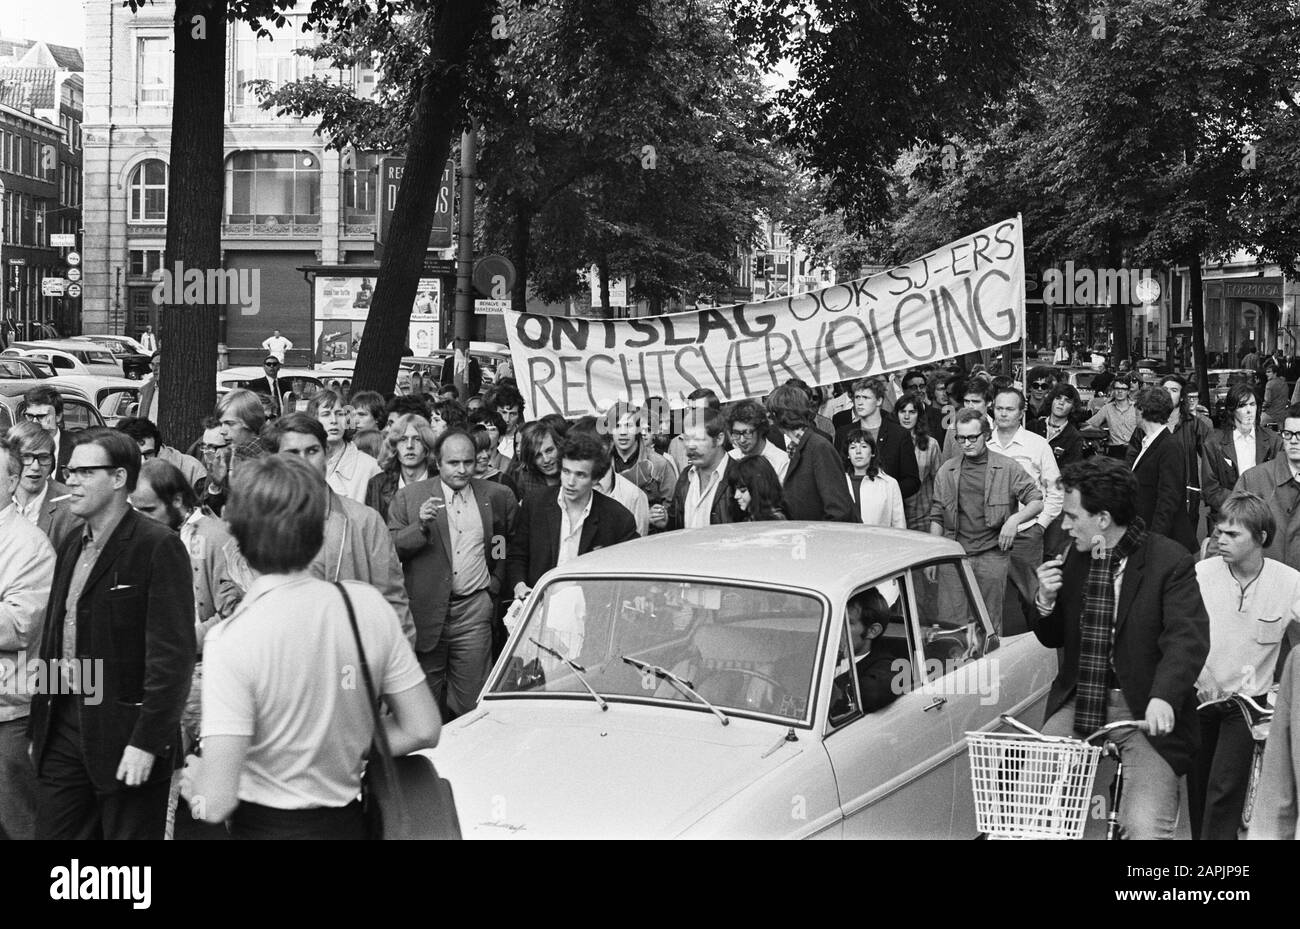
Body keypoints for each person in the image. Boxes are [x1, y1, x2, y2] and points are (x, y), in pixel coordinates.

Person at [182, 455, 439, 839]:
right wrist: (338, 744)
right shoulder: (365, 607)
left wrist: (196, 785)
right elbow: (423, 728)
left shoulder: (230, 640)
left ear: (237, 539)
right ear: (319, 532)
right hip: (348, 824)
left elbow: (215, 803)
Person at [29, 428, 196, 840]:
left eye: (86, 471)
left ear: (119, 478)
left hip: (127, 734)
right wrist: (43, 726)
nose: (72, 480)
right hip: (66, 722)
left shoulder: (158, 546)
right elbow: (57, 637)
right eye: (70, 470)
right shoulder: (71, 543)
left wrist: (147, 742)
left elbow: (172, 659)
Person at [1031, 457, 1209, 840]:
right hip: (1082, 701)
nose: (1063, 525)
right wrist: (1044, 601)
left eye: (1071, 516)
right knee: (1032, 801)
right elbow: (1054, 637)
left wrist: (1164, 697)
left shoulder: (1169, 560)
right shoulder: (1075, 556)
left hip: (1145, 711)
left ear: (1104, 518)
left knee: (1144, 828)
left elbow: (1187, 638)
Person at [386, 429, 518, 720]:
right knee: (424, 707)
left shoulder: (496, 496)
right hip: (426, 614)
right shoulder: (409, 498)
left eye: (468, 462)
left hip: (474, 611)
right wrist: (419, 527)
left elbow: (501, 542)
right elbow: (392, 549)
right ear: (437, 461)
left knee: (472, 704)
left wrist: (494, 584)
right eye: (453, 463)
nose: (462, 469)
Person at [1191, 491, 1300, 840]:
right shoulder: (1201, 574)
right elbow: (1178, 636)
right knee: (1198, 785)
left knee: (1225, 789)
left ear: (1261, 538)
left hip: (1246, 705)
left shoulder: (1289, 582)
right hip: (1199, 695)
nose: (1220, 540)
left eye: (1233, 534)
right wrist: (1199, 674)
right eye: (1219, 531)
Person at [255, 415, 415, 646]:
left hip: (350, 660)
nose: (304, 462)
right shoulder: (261, 523)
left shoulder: (364, 521)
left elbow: (393, 605)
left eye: (312, 451)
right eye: (292, 454)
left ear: (326, 455)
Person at [128, 460, 233, 761]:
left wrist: (181, 641)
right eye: (136, 511)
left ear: (177, 500)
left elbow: (235, 613)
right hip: (160, 672)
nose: (141, 520)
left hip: (200, 674)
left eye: (149, 511)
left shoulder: (214, 537)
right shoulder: (149, 538)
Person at [930, 409, 1043, 632]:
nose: (967, 443)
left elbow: (1036, 500)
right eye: (961, 438)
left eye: (973, 437)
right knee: (951, 624)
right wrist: (932, 556)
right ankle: (958, 667)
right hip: (954, 556)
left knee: (988, 624)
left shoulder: (1007, 467)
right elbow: (937, 514)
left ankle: (989, 667)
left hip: (992, 554)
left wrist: (1014, 521)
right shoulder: (947, 470)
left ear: (986, 435)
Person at [0, 433, 56, 839]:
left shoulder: (30, 545)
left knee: (18, 822)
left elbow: (20, 625)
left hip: (8, 714)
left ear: (12, 481)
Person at [506, 432, 639, 602]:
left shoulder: (617, 517)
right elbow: (517, 554)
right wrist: (519, 585)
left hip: (589, 613)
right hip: (539, 607)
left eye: (580, 475)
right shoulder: (535, 503)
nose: (570, 481)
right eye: (566, 471)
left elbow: (629, 572)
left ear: (595, 478)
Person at [987, 386, 1063, 617]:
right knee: (988, 597)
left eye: (1009, 409)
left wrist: (1041, 525)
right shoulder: (984, 443)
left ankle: (1040, 645)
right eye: (999, 408)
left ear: (1021, 412)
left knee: (1034, 597)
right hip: (988, 534)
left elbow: (1056, 490)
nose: (1003, 414)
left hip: (1026, 534)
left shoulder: (1037, 445)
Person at [766, 383, 857, 522]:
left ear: (781, 416)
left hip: (826, 538)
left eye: (771, 414)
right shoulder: (798, 446)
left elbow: (839, 509)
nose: (769, 418)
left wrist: (817, 540)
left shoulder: (819, 447)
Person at [1202, 383, 1281, 531]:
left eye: (1252, 404)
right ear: (1232, 410)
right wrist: (1243, 506)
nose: (1249, 410)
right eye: (1242, 405)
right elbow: (1210, 490)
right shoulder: (1213, 443)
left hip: (1263, 521)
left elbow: (1280, 484)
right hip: (1228, 520)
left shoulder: (1273, 440)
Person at [1128, 386, 1197, 552]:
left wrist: (1154, 542)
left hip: (1164, 542)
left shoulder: (1169, 446)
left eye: (1135, 406)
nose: (1133, 411)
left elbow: (1168, 500)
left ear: (1143, 410)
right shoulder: (1148, 442)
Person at [1235, 403, 1300, 572]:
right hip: (1264, 586)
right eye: (1288, 434)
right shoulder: (1254, 480)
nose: (1293, 440)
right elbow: (1227, 534)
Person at [833, 378, 921, 498]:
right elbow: (837, 474)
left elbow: (912, 480)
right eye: (857, 397)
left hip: (887, 507)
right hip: (852, 507)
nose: (859, 402)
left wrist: (885, 495)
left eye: (866, 398)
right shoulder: (843, 433)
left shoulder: (899, 434)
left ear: (879, 400)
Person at [653, 408, 734, 531]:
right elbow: (677, 524)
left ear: (719, 439)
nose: (690, 446)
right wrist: (666, 521)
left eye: (698, 439)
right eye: (687, 439)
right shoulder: (686, 475)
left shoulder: (740, 476)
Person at [8, 421, 80, 550]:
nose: (35, 467)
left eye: (44, 457)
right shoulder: (3, 498)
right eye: (26, 456)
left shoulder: (71, 505)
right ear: (11, 460)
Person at [310, 389, 381, 504]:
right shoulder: (303, 464)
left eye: (339, 414)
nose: (334, 421)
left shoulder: (370, 467)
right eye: (326, 414)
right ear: (314, 419)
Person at [606, 402, 678, 515]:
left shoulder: (659, 464)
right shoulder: (602, 463)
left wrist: (658, 516)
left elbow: (673, 509)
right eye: (617, 426)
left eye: (629, 426)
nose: (623, 432)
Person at [365, 413, 437, 522]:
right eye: (403, 439)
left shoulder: (441, 483)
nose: (409, 446)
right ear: (394, 446)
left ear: (427, 445)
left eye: (417, 439)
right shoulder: (376, 485)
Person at [893, 390, 941, 533]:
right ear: (896, 414)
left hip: (923, 514)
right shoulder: (888, 442)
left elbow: (939, 482)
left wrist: (937, 516)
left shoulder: (931, 444)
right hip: (894, 514)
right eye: (903, 411)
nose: (907, 416)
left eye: (912, 412)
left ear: (919, 415)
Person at [115, 416, 204, 489]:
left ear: (159, 450)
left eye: (148, 454)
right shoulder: (113, 474)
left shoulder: (191, 468)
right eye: (134, 455)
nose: (142, 462)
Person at [843, 430, 906, 529]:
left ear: (872, 452)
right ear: (848, 454)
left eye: (864, 446)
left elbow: (899, 524)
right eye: (853, 447)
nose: (858, 451)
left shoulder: (889, 484)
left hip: (880, 542)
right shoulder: (839, 482)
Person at [21, 384, 73, 480]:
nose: (34, 422)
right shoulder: (16, 447)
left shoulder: (77, 446)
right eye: (30, 416)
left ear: (58, 416)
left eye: (41, 416)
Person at [1029, 383, 1085, 465]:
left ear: (1073, 407)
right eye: (1058, 398)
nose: (1061, 403)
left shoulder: (1074, 438)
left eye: (1067, 401)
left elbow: (1071, 471)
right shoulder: (1033, 426)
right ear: (1051, 401)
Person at [940, 378, 995, 460]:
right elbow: (946, 463)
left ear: (989, 402)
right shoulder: (953, 428)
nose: (970, 406)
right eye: (966, 401)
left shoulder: (997, 428)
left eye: (976, 401)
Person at [1087, 374, 1138, 459]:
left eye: (1123, 389)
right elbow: (1090, 424)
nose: (1120, 391)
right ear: (1113, 390)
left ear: (1128, 391)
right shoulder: (1107, 408)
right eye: (1117, 388)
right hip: (1115, 450)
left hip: (1134, 449)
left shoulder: (1136, 408)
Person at [511, 420, 563, 502]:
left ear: (558, 446)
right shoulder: (526, 478)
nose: (546, 460)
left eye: (549, 451)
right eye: (538, 455)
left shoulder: (572, 472)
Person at [725, 454, 787, 521]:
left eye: (743, 490)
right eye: (734, 490)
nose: (736, 496)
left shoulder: (776, 521)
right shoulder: (746, 516)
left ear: (759, 488)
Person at [469, 425, 520, 498]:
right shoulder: (456, 481)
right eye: (479, 451)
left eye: (487, 449)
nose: (485, 455)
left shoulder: (504, 482)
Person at [486, 383, 525, 462]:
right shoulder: (485, 434)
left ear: (519, 415)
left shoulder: (523, 439)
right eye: (503, 412)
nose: (507, 419)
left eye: (512, 414)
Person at [1262, 361, 1290, 426]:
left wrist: (1262, 408)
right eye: (1266, 372)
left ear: (1275, 373)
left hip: (1270, 414)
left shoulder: (1269, 384)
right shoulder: (1284, 383)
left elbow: (1267, 401)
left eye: (1269, 372)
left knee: (1257, 429)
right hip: (1282, 416)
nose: (1266, 374)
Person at [136, 352, 162, 423]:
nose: (155, 369)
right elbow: (140, 419)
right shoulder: (146, 391)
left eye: (159, 364)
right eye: (153, 365)